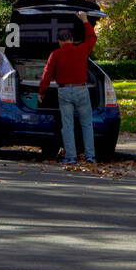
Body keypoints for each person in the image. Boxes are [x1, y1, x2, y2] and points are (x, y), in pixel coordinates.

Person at [38, 10, 98, 166]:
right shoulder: (82, 49)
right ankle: (90, 156)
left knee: (68, 125)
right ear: (72, 40)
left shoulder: (55, 54)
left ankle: (71, 157)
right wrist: (85, 20)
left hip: (64, 92)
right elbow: (92, 38)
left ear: (59, 41)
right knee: (86, 124)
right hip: (81, 90)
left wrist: (41, 92)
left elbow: (47, 74)